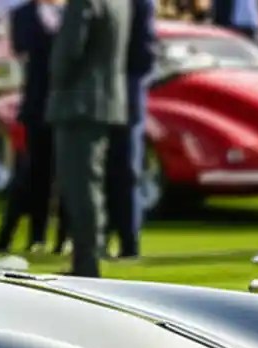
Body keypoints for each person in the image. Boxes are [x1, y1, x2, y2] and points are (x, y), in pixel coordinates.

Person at [48, 0, 129, 278]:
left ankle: (86, 264)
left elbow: (69, 50)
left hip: (79, 103)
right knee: (89, 187)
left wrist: (55, 78)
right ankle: (87, 259)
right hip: (102, 101)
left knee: (80, 189)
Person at [0, 0, 66, 254]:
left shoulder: (74, 11)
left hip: (67, 104)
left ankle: (64, 237)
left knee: (67, 176)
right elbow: (21, 48)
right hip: (36, 105)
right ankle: (37, 235)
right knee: (35, 174)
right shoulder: (22, 15)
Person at [104, 0, 153, 260]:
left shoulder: (140, 5)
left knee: (125, 171)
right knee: (108, 172)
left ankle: (128, 242)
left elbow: (144, 56)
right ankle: (106, 238)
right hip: (107, 95)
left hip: (126, 97)